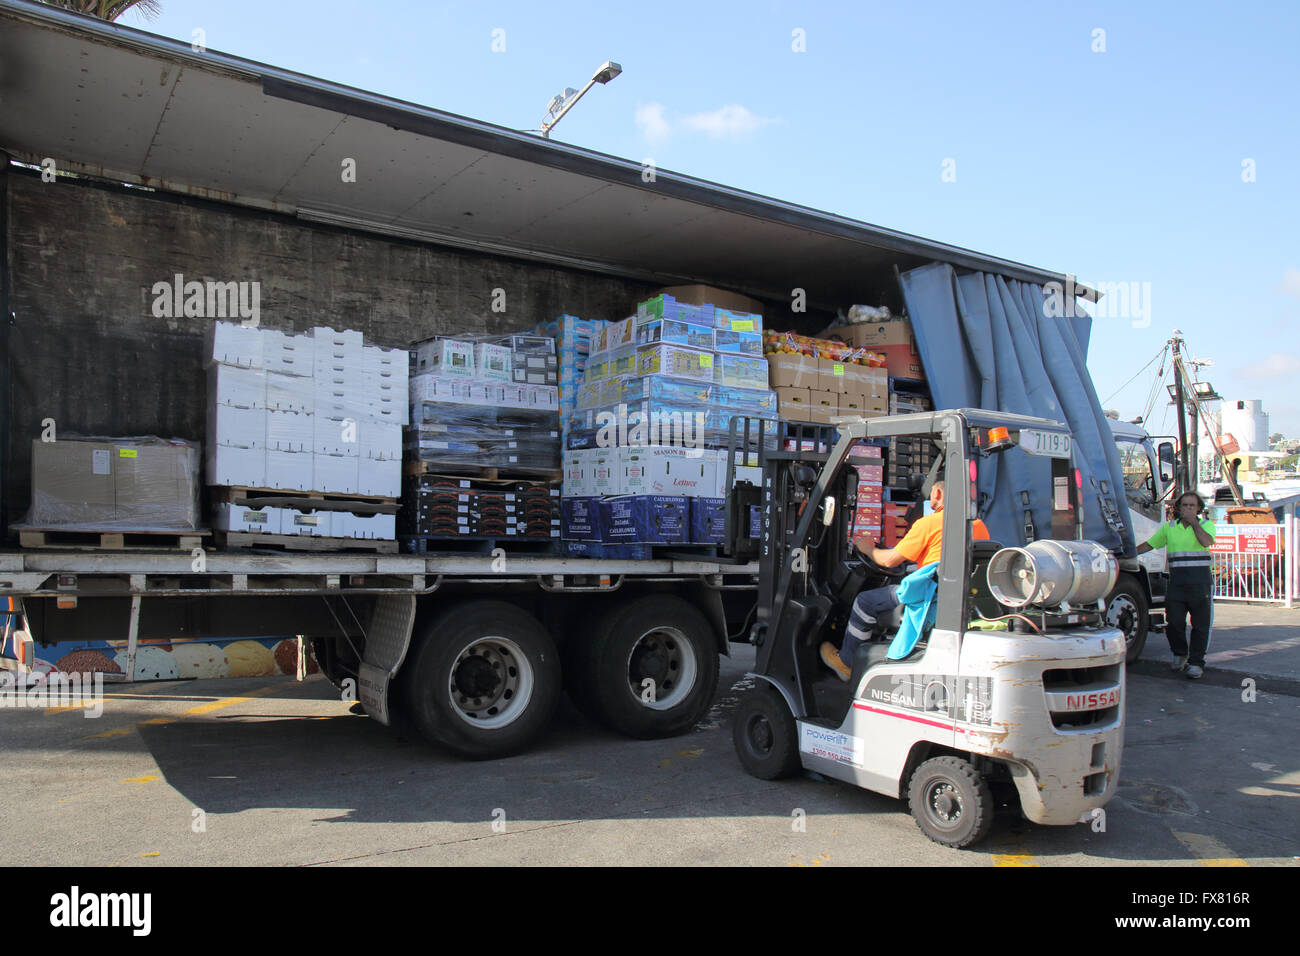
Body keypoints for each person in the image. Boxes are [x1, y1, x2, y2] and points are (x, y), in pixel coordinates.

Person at [820, 480, 989, 681]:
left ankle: (847, 663)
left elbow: (889, 560)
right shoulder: (978, 526)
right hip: (953, 597)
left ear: (937, 494)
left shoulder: (929, 523)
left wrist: (867, 548)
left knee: (864, 602)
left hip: (927, 596)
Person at [1137, 491, 1216, 679]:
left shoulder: (1206, 525)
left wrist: (1195, 523)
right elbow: (1149, 545)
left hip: (1200, 583)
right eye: (1185, 505)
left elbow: (1206, 542)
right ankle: (1180, 654)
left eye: (1192, 506)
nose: (1188, 509)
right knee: (1174, 623)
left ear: (1198, 509)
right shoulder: (1169, 527)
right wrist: (1127, 553)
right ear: (1179, 508)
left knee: (1200, 625)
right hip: (1177, 584)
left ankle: (1196, 663)